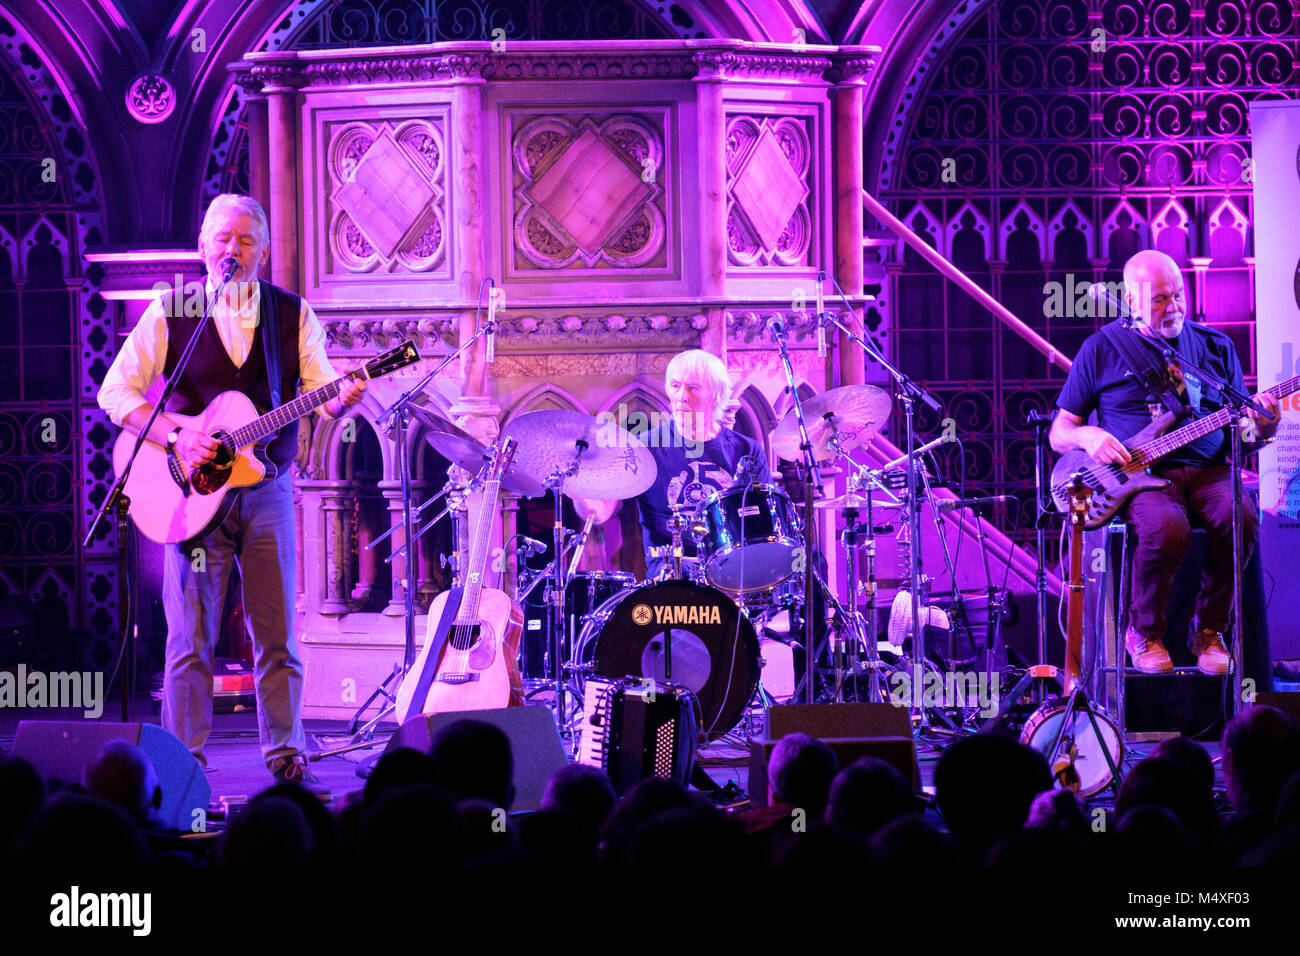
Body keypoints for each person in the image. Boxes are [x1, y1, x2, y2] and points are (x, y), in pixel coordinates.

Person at [98, 194, 365, 796]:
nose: (232, 249)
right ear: (202, 247)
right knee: (189, 636)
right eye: (222, 238)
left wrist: (340, 398)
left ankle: (287, 755)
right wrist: (177, 433)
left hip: (267, 489)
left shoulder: (292, 313)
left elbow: (322, 387)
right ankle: (183, 763)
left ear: (264, 252)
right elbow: (117, 392)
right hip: (190, 498)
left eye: (246, 240)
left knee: (278, 633)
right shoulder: (172, 310)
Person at [1049, 249, 1279, 675]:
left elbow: (1241, 439)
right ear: (1131, 300)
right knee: (1166, 526)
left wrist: (1263, 428)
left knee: (1241, 515)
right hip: (1140, 475)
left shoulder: (1214, 348)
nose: (1172, 307)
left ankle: (1210, 630)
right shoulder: (1101, 348)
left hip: (1208, 469)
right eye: (1158, 299)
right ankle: (1145, 633)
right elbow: (1060, 432)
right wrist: (1091, 435)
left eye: (1177, 295)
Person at [630, 348, 771, 579]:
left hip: (732, 569)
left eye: (693, 388)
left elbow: (763, 521)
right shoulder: (644, 448)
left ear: (716, 395)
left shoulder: (746, 450)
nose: (682, 396)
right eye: (675, 386)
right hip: (671, 572)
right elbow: (603, 507)